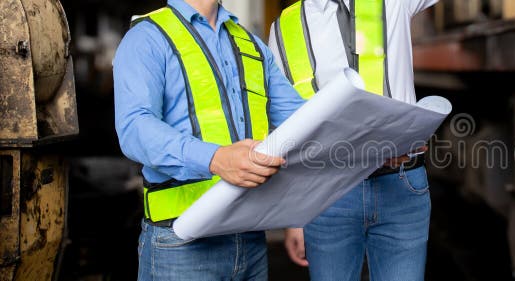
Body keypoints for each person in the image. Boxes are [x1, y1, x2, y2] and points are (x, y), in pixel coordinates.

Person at [113, 0, 304, 279]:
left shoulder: (249, 43)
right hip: (182, 243)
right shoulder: (147, 37)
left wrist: (373, 136)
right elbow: (134, 128)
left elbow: (303, 121)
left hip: (250, 237)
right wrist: (215, 159)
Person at [268, 0, 438, 280]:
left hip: (400, 183)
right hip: (326, 191)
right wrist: (292, 216)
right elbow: (286, 127)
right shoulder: (284, 27)